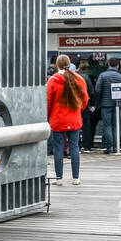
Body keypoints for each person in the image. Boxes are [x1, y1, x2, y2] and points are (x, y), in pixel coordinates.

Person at [46, 54, 87, 186]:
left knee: (58, 148)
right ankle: (76, 178)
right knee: (74, 146)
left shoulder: (53, 80)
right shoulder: (79, 79)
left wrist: (48, 115)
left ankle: (59, 178)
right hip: (74, 118)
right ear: (69, 64)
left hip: (57, 119)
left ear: (57, 65)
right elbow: (85, 99)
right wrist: (78, 110)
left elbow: (48, 101)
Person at [94, 62, 121, 154]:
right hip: (117, 104)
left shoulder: (102, 75)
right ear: (117, 66)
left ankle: (109, 147)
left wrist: (100, 100)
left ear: (108, 65)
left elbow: (97, 89)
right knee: (116, 125)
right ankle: (116, 147)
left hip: (105, 104)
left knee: (107, 126)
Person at [77, 61, 98, 152]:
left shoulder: (72, 76)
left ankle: (76, 145)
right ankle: (86, 146)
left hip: (73, 104)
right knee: (86, 125)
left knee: (75, 126)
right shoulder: (86, 77)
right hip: (84, 104)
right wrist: (93, 104)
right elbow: (92, 92)